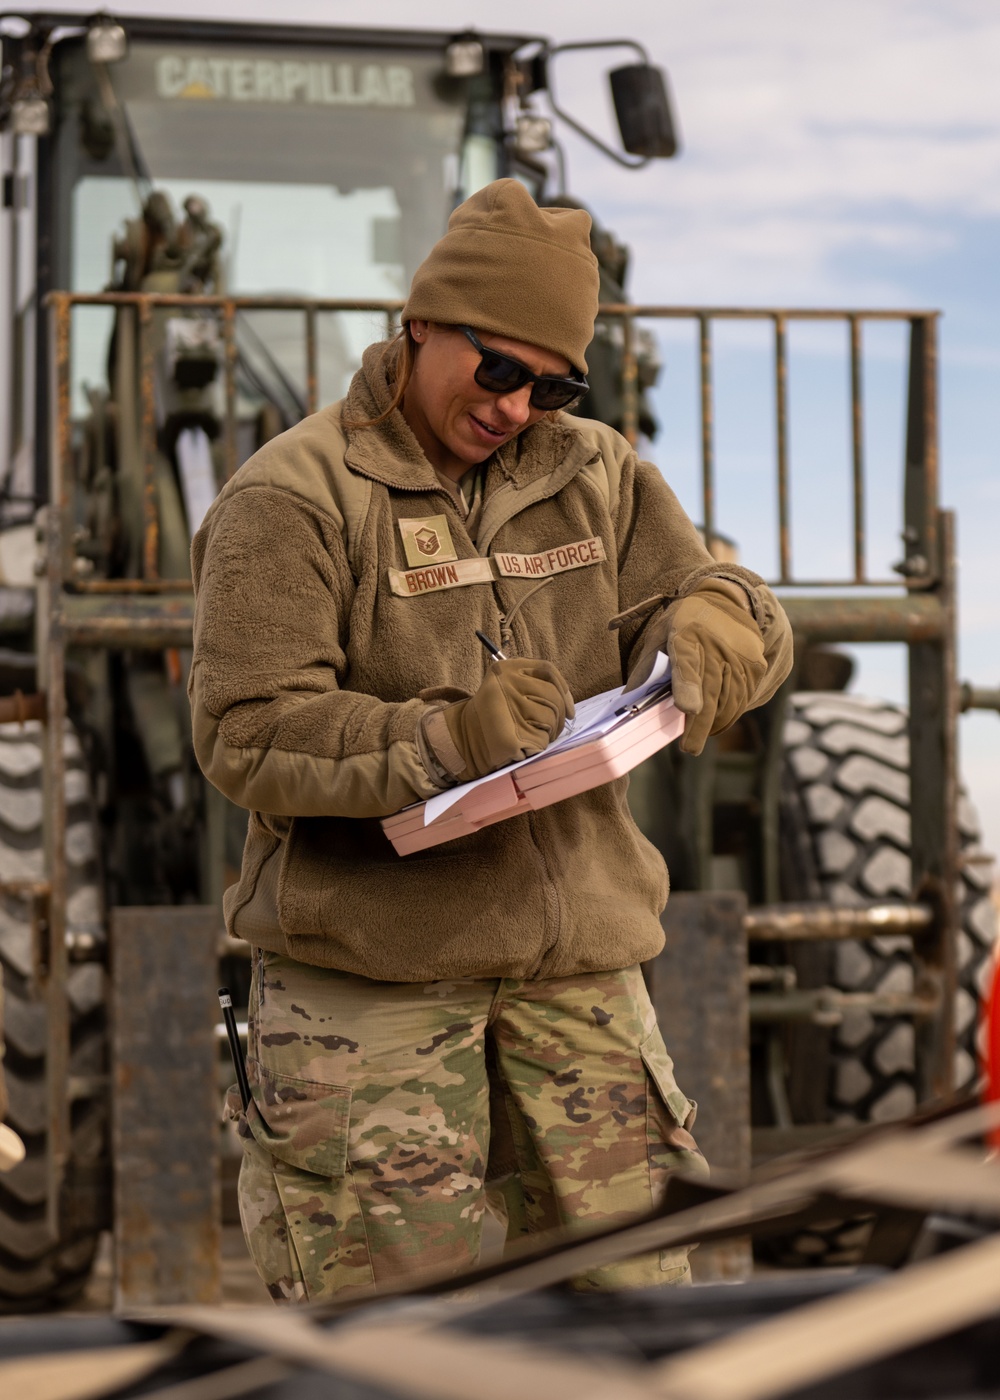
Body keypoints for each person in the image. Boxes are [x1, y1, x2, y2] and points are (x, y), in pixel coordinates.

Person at [190, 179, 793, 1303]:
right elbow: (246, 731)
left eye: (551, 383)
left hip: (583, 992)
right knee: (395, 1354)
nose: (517, 407)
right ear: (421, 323)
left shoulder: (596, 471)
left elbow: (714, 594)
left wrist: (717, 620)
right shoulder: (292, 496)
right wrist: (441, 738)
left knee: (651, 1324)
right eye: (498, 368)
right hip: (379, 1001)